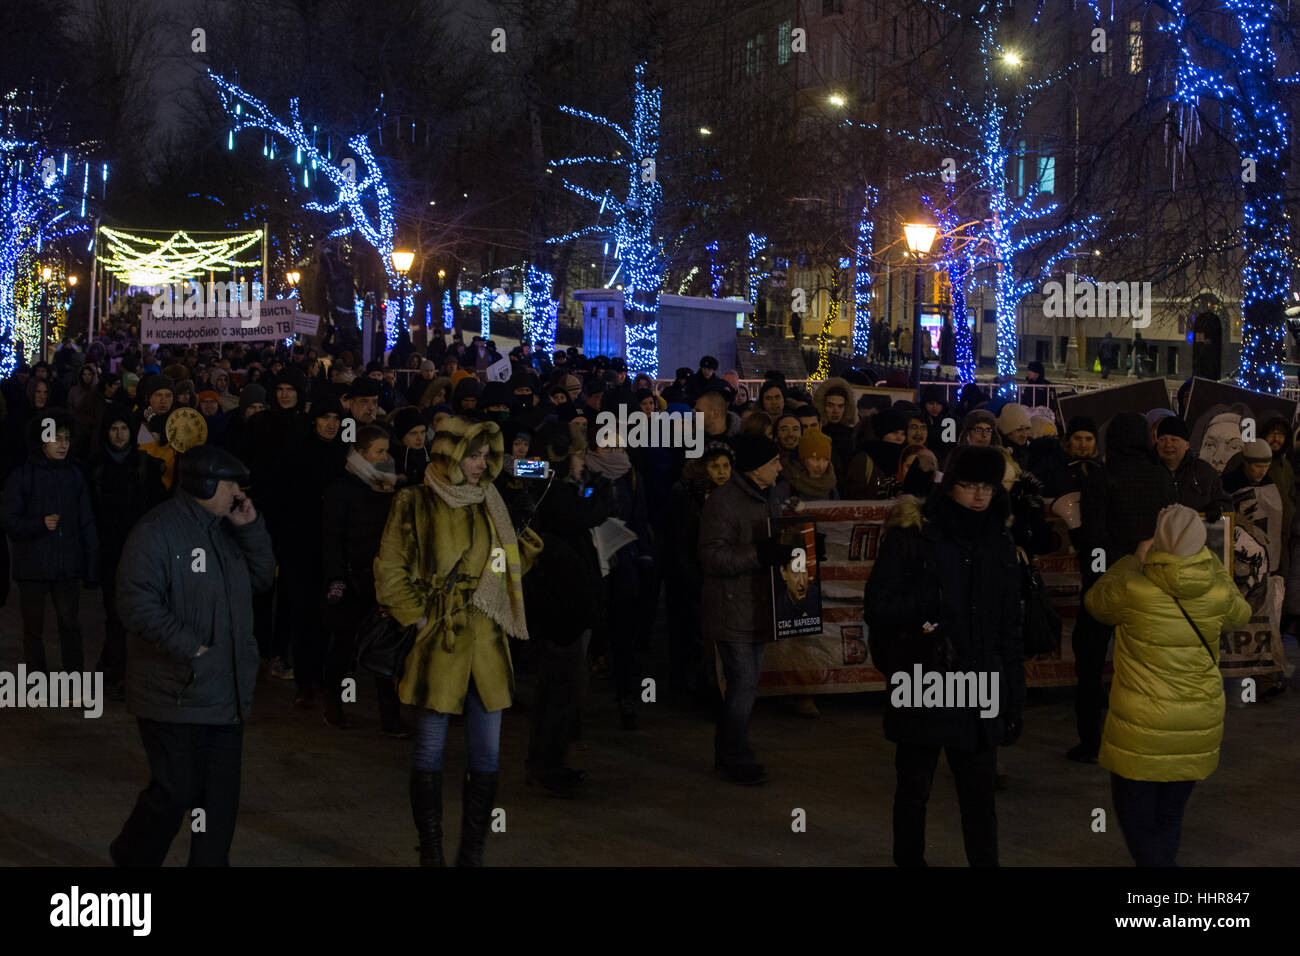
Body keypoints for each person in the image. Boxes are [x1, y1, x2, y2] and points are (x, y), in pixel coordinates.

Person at [374, 417, 542, 867]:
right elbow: (391, 569)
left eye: (486, 456)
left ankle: (472, 853)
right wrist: (419, 618)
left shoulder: (492, 500)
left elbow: (502, 572)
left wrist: (521, 546)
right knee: (429, 750)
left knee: (486, 755)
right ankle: (430, 851)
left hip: (487, 638)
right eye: (472, 455)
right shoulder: (414, 501)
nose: (479, 464)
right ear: (449, 456)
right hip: (440, 638)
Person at [110, 446, 276, 866]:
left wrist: (251, 527)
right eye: (231, 485)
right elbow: (135, 603)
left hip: (226, 693)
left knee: (217, 802)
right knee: (175, 791)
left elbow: (262, 578)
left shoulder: (229, 528)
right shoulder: (157, 531)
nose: (238, 493)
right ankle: (133, 854)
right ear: (205, 483)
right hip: (174, 694)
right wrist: (194, 649)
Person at [864, 445, 1024, 867]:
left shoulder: (998, 540)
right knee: (914, 791)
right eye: (968, 486)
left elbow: (1008, 626)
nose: (978, 496)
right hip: (924, 682)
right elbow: (878, 606)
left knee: (979, 798)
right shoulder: (914, 534)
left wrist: (1013, 696)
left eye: (986, 487)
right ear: (950, 485)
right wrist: (925, 606)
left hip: (979, 689)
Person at [1085, 504, 1250, 866]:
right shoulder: (1217, 591)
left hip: (1139, 727)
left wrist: (1133, 559)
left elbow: (1095, 603)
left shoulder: (1133, 585)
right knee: (1169, 817)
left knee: (1137, 819)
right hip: (1197, 724)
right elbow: (1242, 614)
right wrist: (1213, 567)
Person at [698, 434, 790, 785]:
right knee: (742, 682)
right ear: (757, 468)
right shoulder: (722, 503)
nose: (780, 467)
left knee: (747, 684)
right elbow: (711, 556)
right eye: (774, 462)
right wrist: (759, 554)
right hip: (731, 605)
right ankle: (734, 754)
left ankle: (731, 750)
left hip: (757, 603)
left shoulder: (767, 497)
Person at [320, 424, 407, 733]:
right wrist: (337, 578)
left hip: (383, 578)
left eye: (386, 451)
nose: (385, 458)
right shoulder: (341, 490)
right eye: (379, 452)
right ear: (360, 453)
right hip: (352, 580)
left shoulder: (389, 487)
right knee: (345, 648)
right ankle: (337, 704)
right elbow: (332, 538)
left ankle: (390, 718)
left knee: (385, 647)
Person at [2, 410, 99, 673]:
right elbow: (9, 520)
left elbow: (86, 520)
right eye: (57, 438)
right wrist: (39, 524)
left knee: (70, 623)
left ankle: (74, 676)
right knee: (33, 627)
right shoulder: (22, 476)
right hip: (32, 566)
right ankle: (37, 677)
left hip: (67, 565)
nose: (63, 444)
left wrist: (90, 564)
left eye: (67, 438)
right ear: (42, 440)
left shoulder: (74, 475)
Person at [1152, 416, 1230, 519]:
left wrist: (1218, 508)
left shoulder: (1205, 472)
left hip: (1196, 532)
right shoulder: (1148, 471)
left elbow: (1226, 502)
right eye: (1162, 439)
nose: (1168, 444)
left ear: (1187, 445)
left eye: (1174, 440)